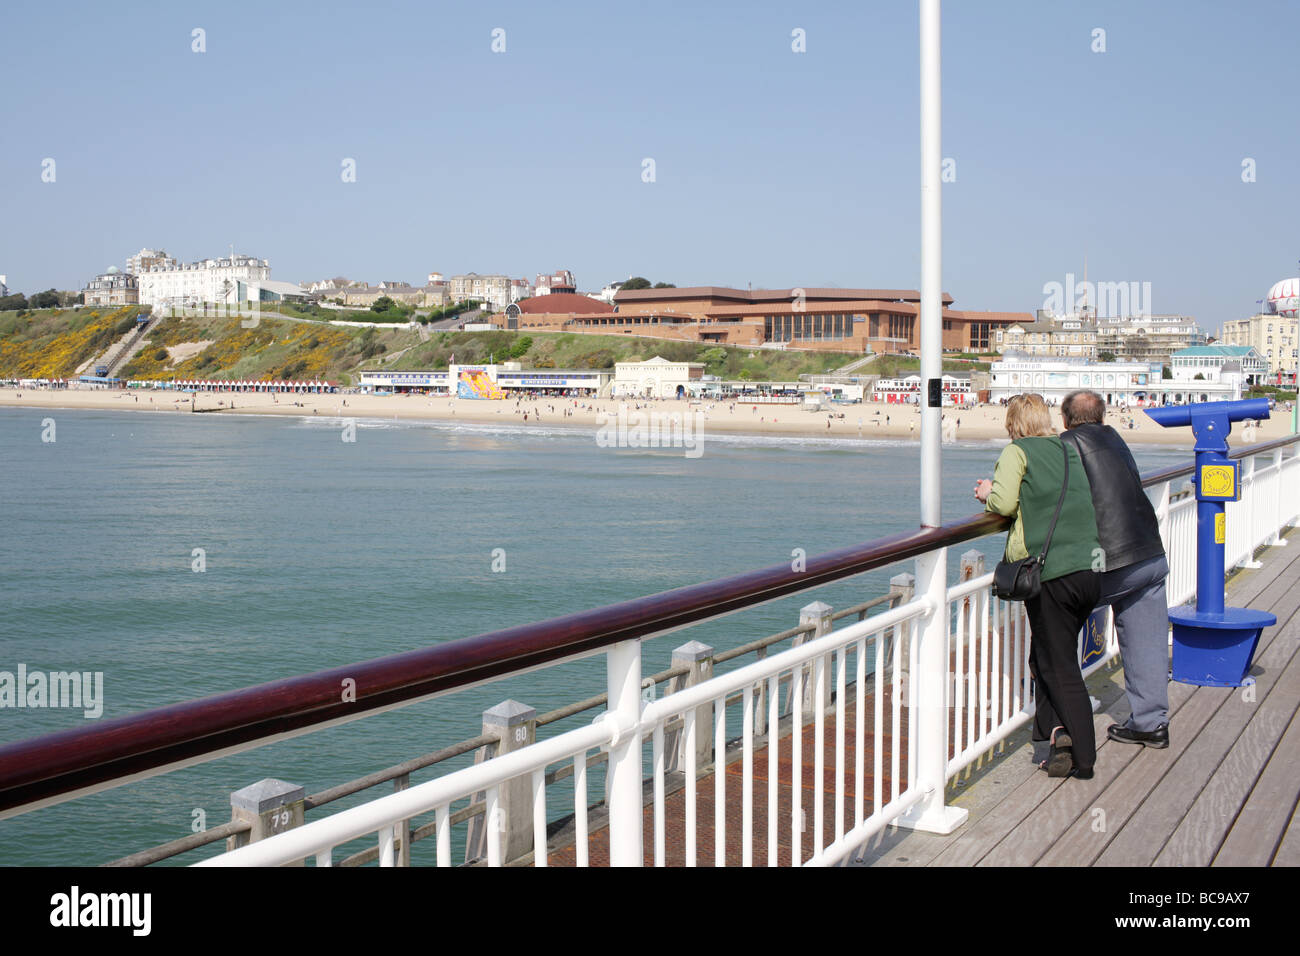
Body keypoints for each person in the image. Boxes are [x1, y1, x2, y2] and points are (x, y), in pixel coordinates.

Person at [975, 393, 1101, 779]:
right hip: (1090, 570)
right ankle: (1050, 739)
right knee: (1046, 658)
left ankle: (1085, 757)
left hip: (1052, 575)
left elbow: (1004, 503)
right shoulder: (1068, 449)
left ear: (1013, 423)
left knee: (1059, 666)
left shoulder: (1018, 452)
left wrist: (986, 492)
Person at [1060, 390, 1171, 749]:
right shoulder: (1116, 439)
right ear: (1103, 417)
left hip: (1111, 561)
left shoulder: (1067, 445)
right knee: (1148, 640)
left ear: (1065, 419)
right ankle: (1151, 722)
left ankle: (1061, 720)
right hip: (1149, 554)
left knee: (1053, 614)